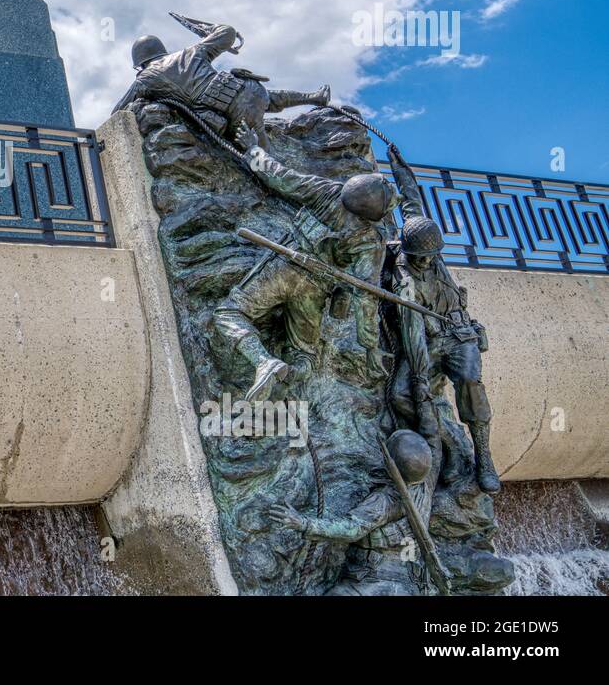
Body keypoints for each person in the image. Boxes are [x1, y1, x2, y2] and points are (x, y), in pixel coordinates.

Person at [213, 125, 398, 400]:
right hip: (315, 290)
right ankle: (288, 373)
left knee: (228, 314)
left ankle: (264, 362)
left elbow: (279, 176)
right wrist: (369, 346)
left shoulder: (329, 193)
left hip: (282, 267)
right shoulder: (372, 240)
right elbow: (366, 298)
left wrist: (253, 148)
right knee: (306, 356)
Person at [384, 144, 500, 493]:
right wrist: (421, 375)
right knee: (402, 395)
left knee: (470, 383)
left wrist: (400, 167)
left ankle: (484, 457)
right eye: (421, 257)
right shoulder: (403, 277)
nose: (427, 263)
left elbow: (411, 201)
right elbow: (413, 333)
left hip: (458, 333)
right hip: (427, 342)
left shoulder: (427, 243)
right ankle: (450, 448)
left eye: (432, 256)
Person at [268, 429, 439, 595]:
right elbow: (433, 437)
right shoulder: (428, 480)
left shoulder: (384, 501)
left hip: (377, 580)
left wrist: (303, 523)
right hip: (412, 580)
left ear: (390, 464)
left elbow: (352, 528)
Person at [112, 26, 330, 150]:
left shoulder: (145, 79)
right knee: (272, 98)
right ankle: (315, 97)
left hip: (231, 112)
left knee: (263, 157)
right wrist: (207, 31)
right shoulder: (191, 52)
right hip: (248, 89)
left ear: (140, 63)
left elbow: (118, 113)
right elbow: (228, 32)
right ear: (162, 50)